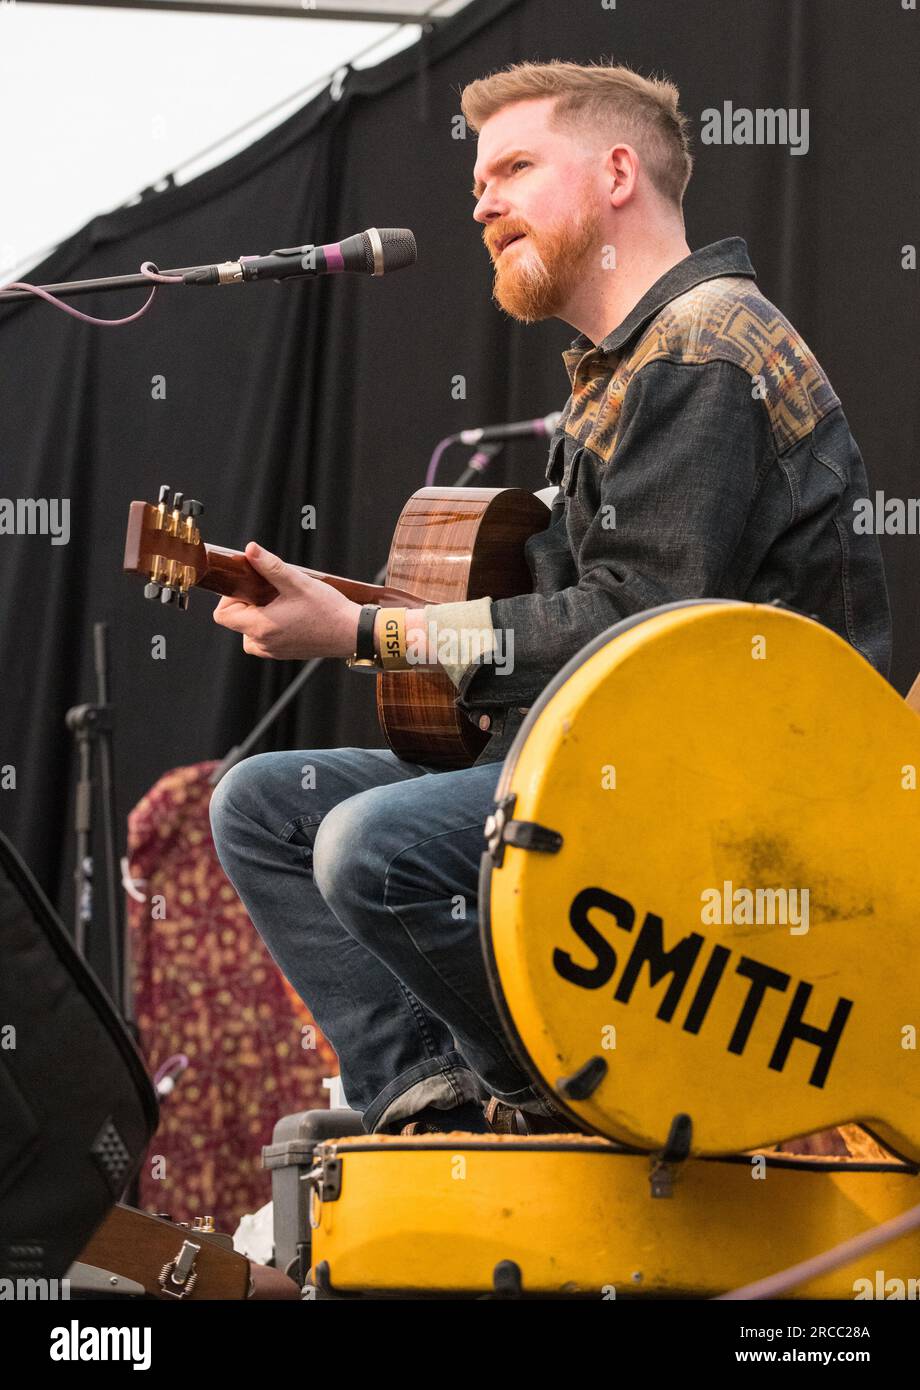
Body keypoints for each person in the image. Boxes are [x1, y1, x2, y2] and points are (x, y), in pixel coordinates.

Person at [208, 60, 892, 1137]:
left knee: (371, 846)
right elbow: (578, 637)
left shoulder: (703, 349)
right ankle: (430, 1108)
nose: (479, 201)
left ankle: (549, 1108)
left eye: (514, 167)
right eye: (478, 179)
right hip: (610, 770)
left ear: (618, 171)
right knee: (262, 807)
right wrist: (374, 629)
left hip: (717, 805)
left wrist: (359, 632)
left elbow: (631, 630)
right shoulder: (625, 368)